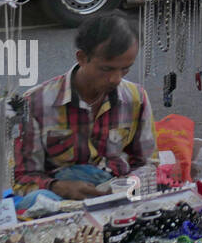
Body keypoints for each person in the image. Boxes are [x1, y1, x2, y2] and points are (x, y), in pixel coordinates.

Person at [14, 14, 157, 204]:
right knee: (35, 200)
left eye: (125, 69)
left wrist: (128, 183)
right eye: (107, 69)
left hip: (116, 192)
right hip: (59, 199)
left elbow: (148, 164)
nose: (116, 78)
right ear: (81, 58)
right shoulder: (34, 103)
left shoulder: (136, 98)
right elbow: (22, 179)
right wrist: (58, 187)